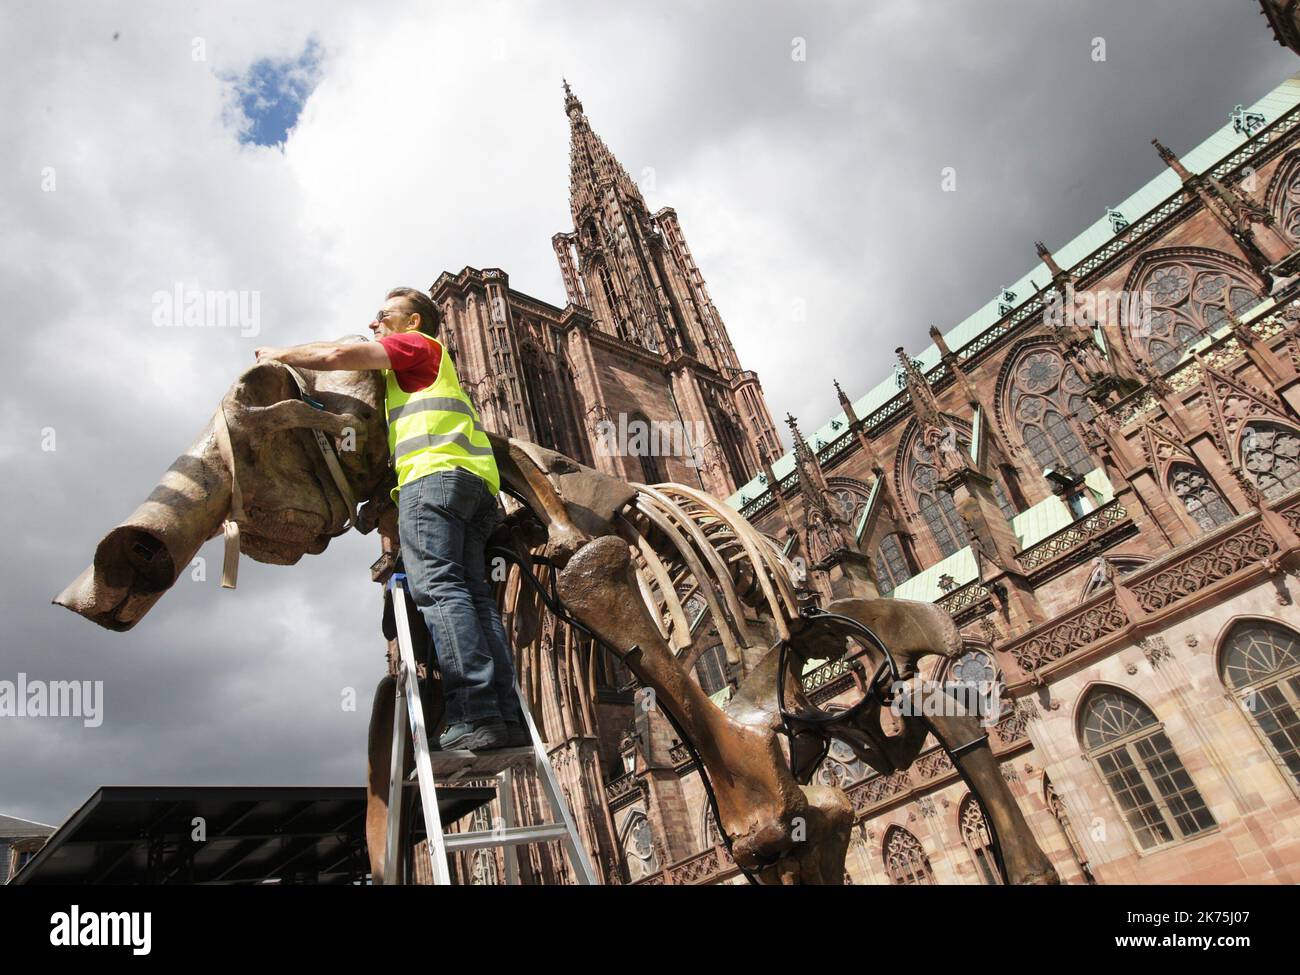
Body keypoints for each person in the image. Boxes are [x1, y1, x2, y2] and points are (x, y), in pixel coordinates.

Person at [253, 287, 527, 751]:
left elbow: (340, 353)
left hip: (432, 480)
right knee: (475, 598)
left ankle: (475, 713)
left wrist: (277, 353)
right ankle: (506, 717)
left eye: (385, 316)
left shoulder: (416, 347)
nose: (375, 323)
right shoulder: (437, 375)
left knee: (437, 589)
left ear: (413, 322)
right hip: (477, 488)